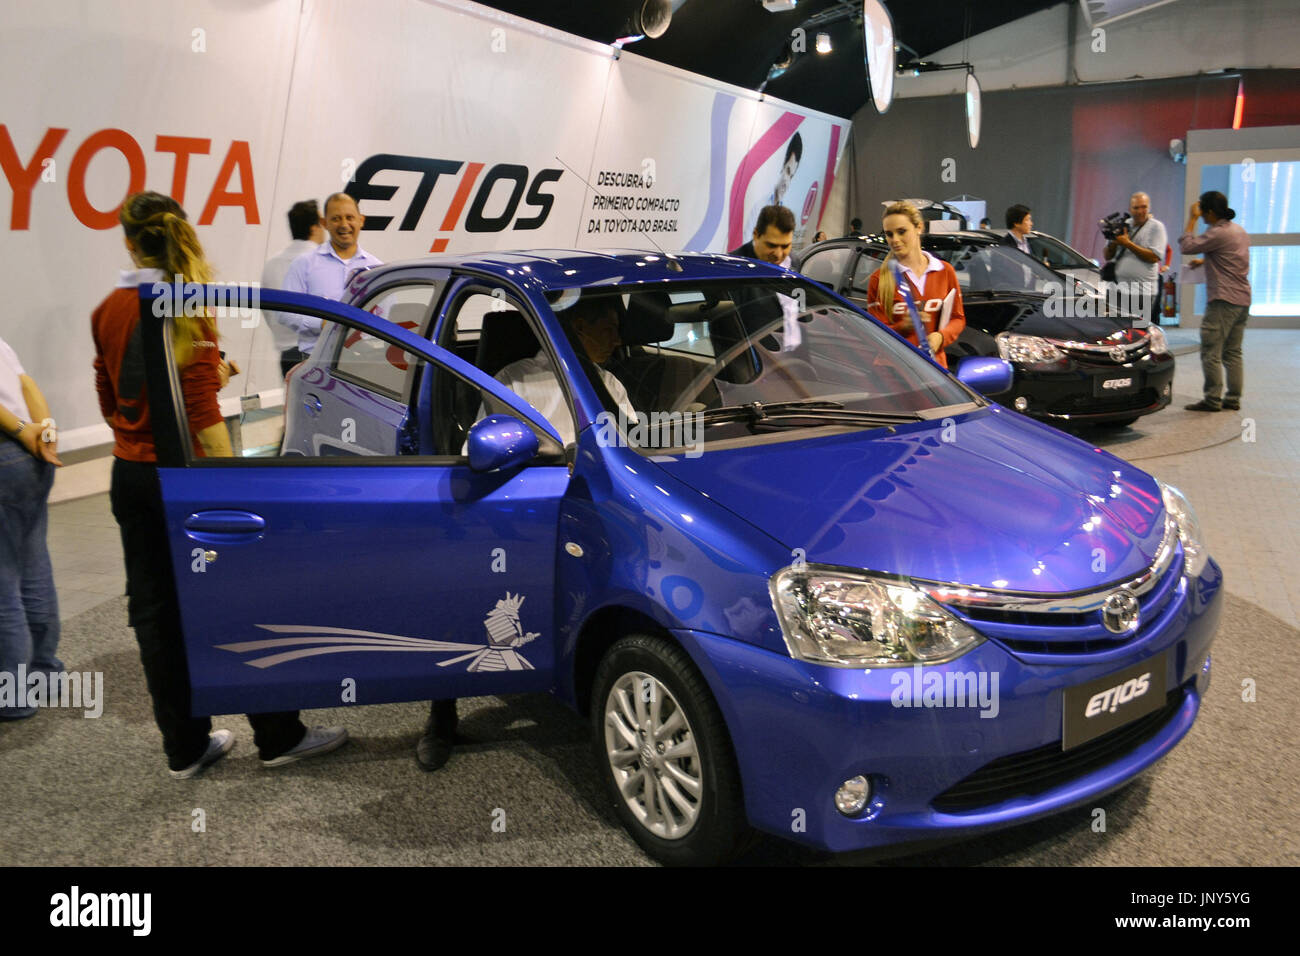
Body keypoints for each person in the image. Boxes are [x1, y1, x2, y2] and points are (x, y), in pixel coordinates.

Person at [92, 191, 347, 777]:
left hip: (131, 478)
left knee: (155, 616)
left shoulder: (107, 308)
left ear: (129, 240)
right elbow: (204, 417)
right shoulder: (186, 306)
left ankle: (184, 747)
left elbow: (112, 402)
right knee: (242, 601)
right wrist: (239, 490)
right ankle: (279, 735)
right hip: (190, 478)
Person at [420, 297, 636, 771]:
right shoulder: (516, 380)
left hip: (591, 507)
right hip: (520, 516)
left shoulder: (611, 385)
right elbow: (479, 451)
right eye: (611, 327)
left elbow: (633, 448)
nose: (619, 339)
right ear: (579, 327)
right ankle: (441, 713)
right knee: (467, 594)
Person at [0, 338, 62, 720]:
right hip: (30, 457)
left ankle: (12, 694)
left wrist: (24, 430)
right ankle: (44, 674)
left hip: (7, 450)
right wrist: (44, 431)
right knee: (33, 567)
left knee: (3, 583)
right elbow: (26, 384)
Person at [865, 201, 966, 370]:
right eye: (889, 234)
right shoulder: (880, 279)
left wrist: (940, 337)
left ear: (919, 227)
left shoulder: (945, 271)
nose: (895, 240)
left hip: (935, 370)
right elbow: (875, 336)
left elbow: (958, 318)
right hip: (894, 371)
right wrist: (902, 327)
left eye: (901, 232)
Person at [281, 192, 382, 356]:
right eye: (336, 218)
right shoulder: (304, 264)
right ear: (324, 223)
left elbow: (387, 316)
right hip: (314, 363)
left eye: (350, 217)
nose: (344, 224)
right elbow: (285, 314)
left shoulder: (377, 268)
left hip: (363, 364)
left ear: (361, 220)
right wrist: (321, 324)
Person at [1179, 190, 1251, 412]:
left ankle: (1212, 399)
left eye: (1202, 213)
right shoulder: (1238, 231)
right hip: (1242, 299)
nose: (1201, 217)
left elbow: (1186, 247)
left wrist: (1190, 219)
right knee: (1233, 351)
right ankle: (1233, 398)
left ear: (1210, 212)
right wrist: (1205, 261)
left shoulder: (1217, 233)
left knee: (1211, 350)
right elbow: (1229, 257)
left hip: (1222, 299)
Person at [262, 200, 324, 376]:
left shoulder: (272, 264)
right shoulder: (322, 262)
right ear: (314, 228)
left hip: (287, 355)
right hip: (318, 353)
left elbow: (268, 311)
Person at [1104, 192, 1167, 327]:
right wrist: (1115, 242)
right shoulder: (1122, 225)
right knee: (1116, 328)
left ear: (1149, 207)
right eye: (1136, 208)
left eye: (1143, 207)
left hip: (1143, 291)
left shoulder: (1156, 227)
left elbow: (1154, 257)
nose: (1140, 211)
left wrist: (1128, 244)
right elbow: (1107, 256)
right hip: (1118, 289)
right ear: (1129, 209)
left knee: (1138, 330)